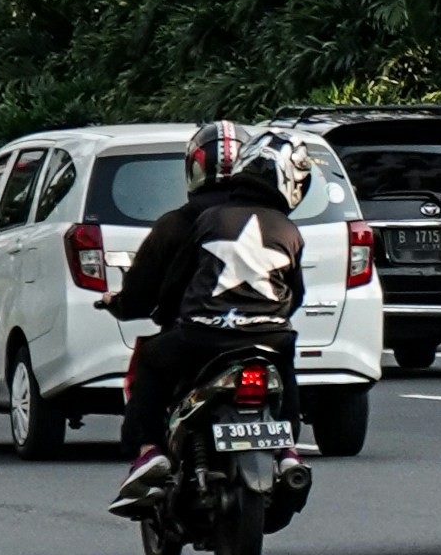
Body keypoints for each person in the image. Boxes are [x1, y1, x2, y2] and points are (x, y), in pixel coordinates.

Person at [108, 123, 309, 512]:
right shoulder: (288, 229)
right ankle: (288, 450)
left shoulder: (196, 222)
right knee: (285, 368)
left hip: (201, 337)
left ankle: (150, 452)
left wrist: (167, 313)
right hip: (272, 338)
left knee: (150, 358)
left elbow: (172, 284)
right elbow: (294, 295)